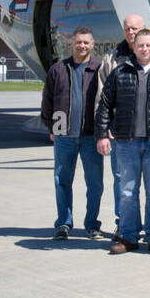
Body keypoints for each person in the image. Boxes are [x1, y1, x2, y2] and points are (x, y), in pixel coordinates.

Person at [95, 28, 150, 255]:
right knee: (128, 192)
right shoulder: (119, 73)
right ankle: (129, 237)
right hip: (126, 143)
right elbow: (104, 105)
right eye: (140, 45)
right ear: (133, 47)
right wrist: (102, 134)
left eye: (148, 45)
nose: (144, 49)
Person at [42, 27, 103, 240]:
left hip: (91, 135)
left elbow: (108, 101)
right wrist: (51, 128)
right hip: (64, 135)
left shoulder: (99, 69)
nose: (82, 46)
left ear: (92, 44)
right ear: (72, 44)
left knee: (95, 183)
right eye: (78, 42)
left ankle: (92, 225)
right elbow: (47, 102)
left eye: (86, 42)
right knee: (62, 180)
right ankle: (64, 224)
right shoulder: (58, 69)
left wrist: (105, 129)